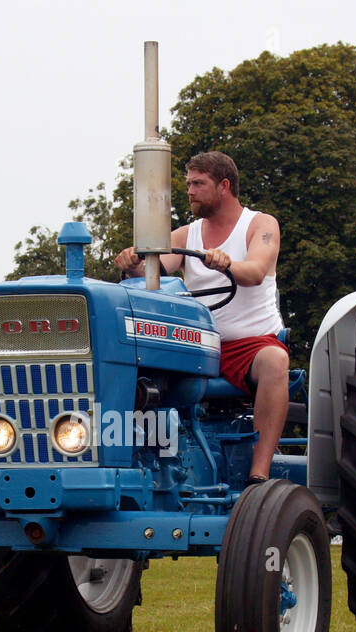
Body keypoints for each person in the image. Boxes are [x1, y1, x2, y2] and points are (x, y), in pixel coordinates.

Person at [114, 151, 286, 482]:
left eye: (198, 183)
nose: (190, 191)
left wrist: (227, 264)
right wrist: (133, 263)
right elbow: (153, 273)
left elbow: (255, 271)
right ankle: (134, 462)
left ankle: (259, 473)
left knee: (275, 362)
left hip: (250, 345)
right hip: (197, 346)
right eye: (188, 183)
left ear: (224, 186)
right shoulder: (185, 236)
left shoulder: (260, 225)